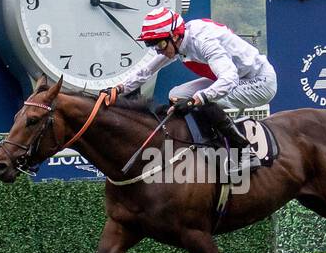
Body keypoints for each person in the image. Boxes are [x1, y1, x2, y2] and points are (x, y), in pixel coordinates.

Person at [107, 8, 276, 155]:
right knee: (177, 95)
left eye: (161, 44)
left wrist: (196, 100)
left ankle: (243, 148)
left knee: (200, 100)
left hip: (259, 82)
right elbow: (147, 70)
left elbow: (229, 79)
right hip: (238, 78)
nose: (159, 51)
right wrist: (119, 88)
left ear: (174, 35)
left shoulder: (202, 41)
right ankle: (207, 140)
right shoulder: (177, 41)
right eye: (154, 46)